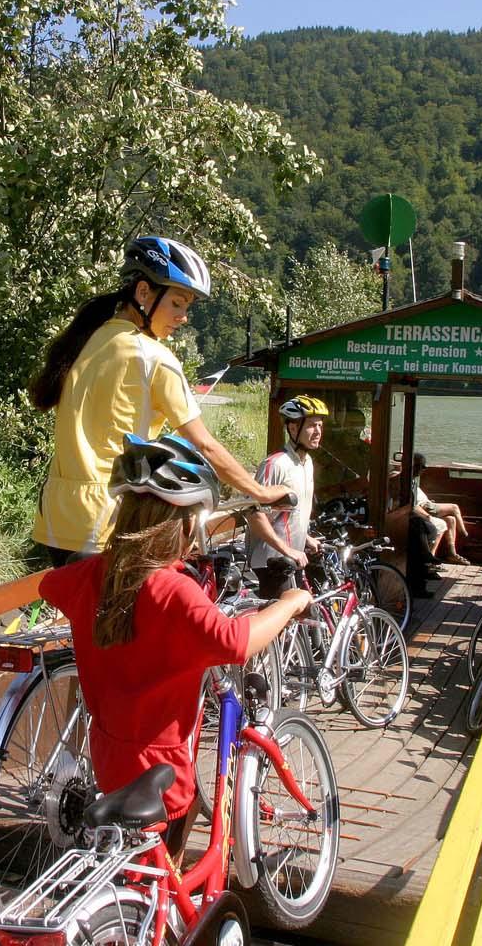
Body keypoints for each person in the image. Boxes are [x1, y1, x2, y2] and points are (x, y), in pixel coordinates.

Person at [38, 434, 311, 856]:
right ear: (185, 525)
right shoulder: (172, 591)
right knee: (164, 875)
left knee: (137, 863)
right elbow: (235, 642)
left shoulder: (93, 578)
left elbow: (49, 584)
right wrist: (289, 603)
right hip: (163, 770)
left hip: (110, 757)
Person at [29, 236, 288, 565]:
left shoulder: (88, 339)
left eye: (187, 307)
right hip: (106, 519)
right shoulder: (152, 356)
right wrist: (261, 491)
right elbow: (204, 444)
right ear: (142, 293)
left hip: (57, 517)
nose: (183, 316)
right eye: (176, 303)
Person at [246, 395, 327, 572]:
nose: (318, 431)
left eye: (320, 425)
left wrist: (305, 538)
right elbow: (254, 515)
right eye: (312, 425)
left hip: (292, 560)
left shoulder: (307, 463)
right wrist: (287, 550)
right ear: (293, 427)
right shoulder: (275, 464)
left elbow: (288, 515)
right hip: (269, 564)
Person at [411, 452, 470, 564]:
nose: (422, 470)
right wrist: (427, 516)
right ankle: (465, 535)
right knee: (454, 508)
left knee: (451, 520)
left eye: (423, 467)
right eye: (421, 467)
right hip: (423, 509)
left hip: (425, 506)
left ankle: (452, 554)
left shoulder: (412, 481)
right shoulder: (404, 480)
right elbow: (412, 506)